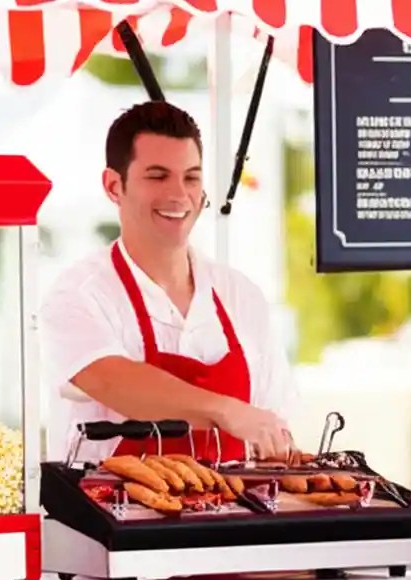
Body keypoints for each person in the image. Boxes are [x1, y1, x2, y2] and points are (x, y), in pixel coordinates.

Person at [39, 101, 297, 465]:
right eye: (158, 176)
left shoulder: (242, 296)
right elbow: (112, 381)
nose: (179, 195)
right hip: (113, 517)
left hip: (234, 518)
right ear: (114, 186)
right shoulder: (77, 295)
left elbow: (272, 424)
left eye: (191, 177)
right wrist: (226, 411)